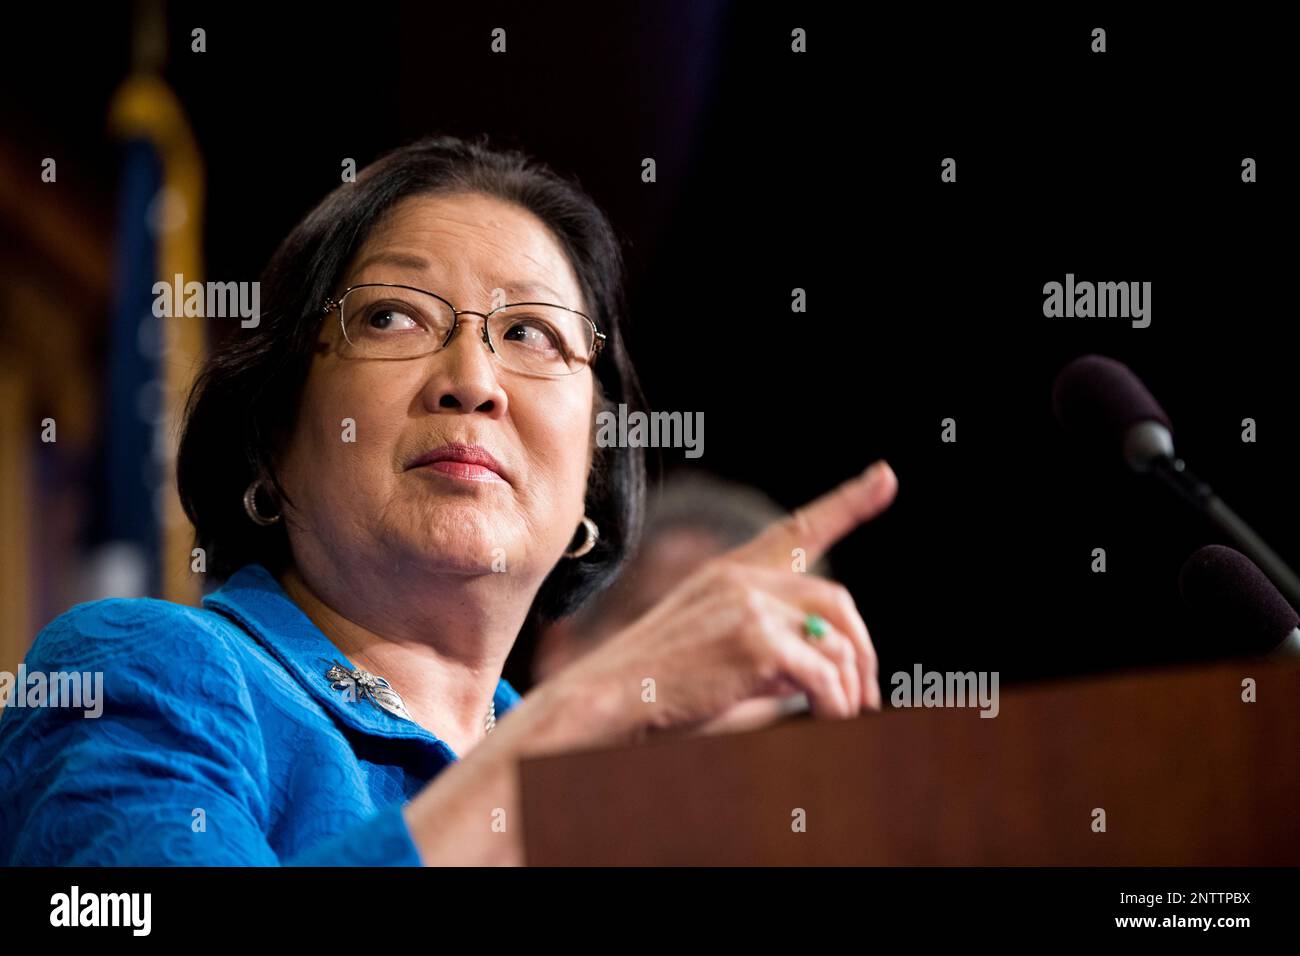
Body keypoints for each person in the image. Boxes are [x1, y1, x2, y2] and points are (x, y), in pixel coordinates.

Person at [0, 135, 897, 866]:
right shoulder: (141, 672)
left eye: (531, 333)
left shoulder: (617, 807)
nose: (472, 381)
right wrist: (581, 713)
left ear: (591, 475)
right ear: (273, 437)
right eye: (394, 315)